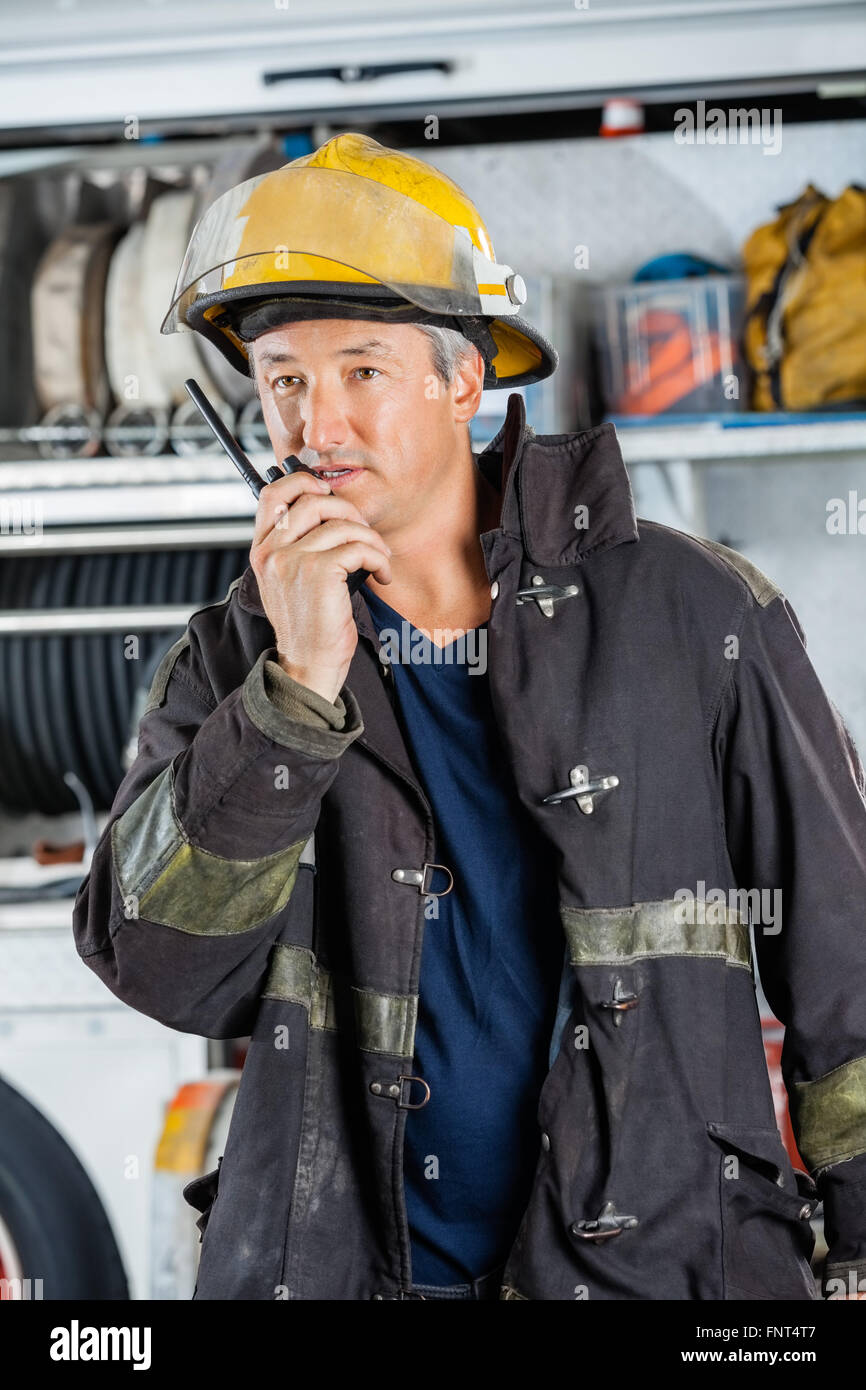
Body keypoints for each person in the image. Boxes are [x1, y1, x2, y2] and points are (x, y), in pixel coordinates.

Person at [73, 132, 866, 1301]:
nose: (315, 422)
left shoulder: (696, 611)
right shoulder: (237, 655)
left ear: (462, 381)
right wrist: (296, 692)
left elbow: (843, 956)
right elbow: (157, 968)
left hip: (668, 1280)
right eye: (284, 378)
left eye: (362, 370)